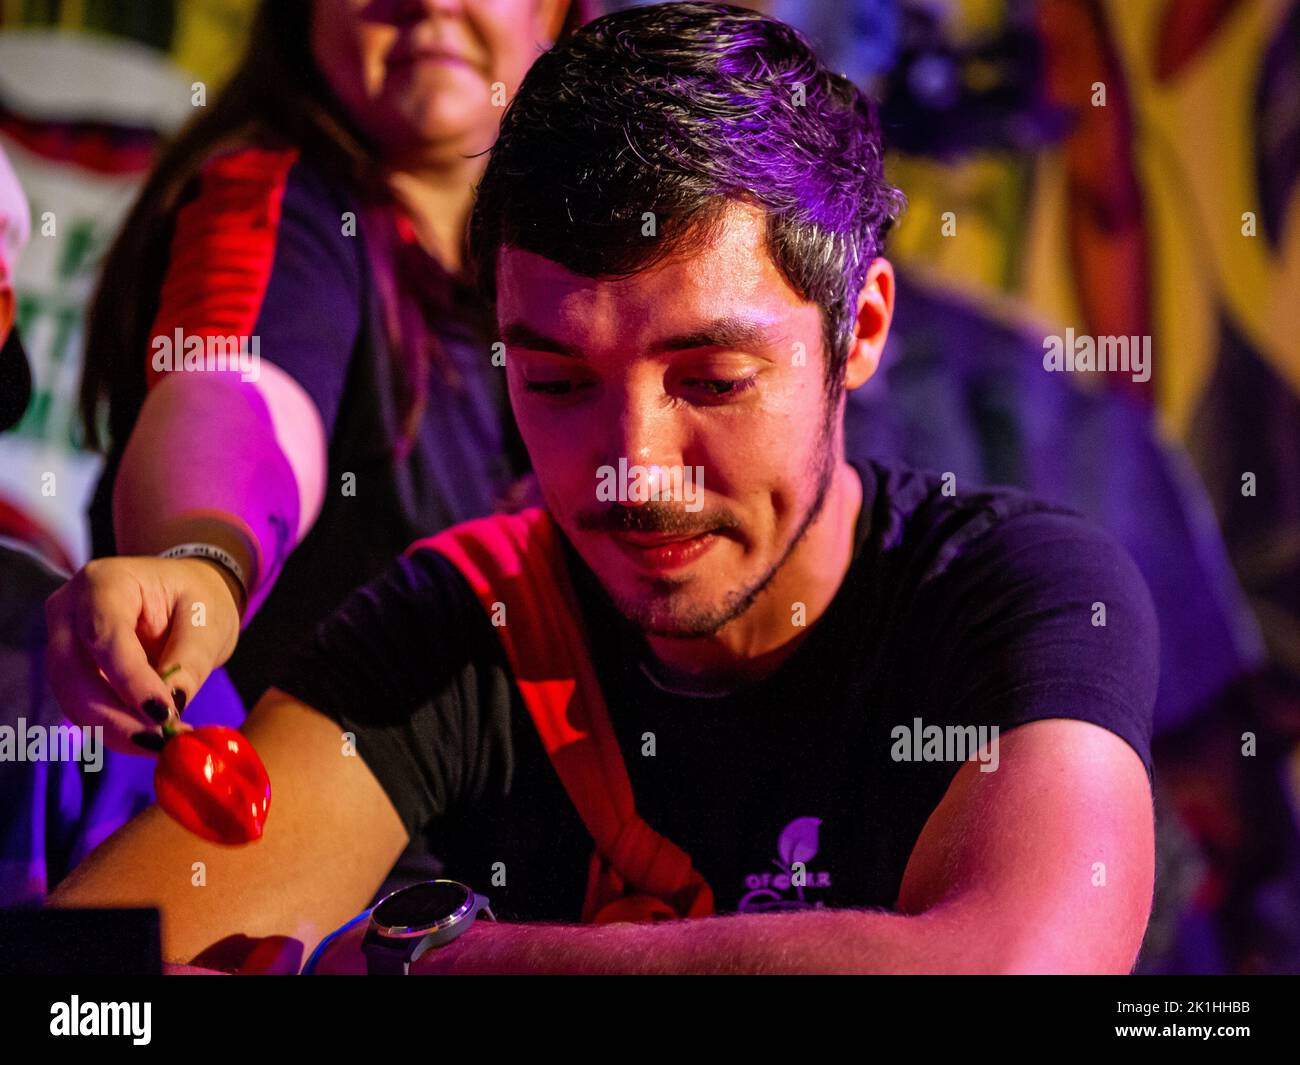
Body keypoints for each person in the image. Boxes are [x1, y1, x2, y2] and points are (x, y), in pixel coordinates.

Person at [48, 3, 1157, 975]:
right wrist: (202, 557)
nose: (631, 461)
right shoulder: (468, 615)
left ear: (858, 330)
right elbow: (78, 980)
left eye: (711, 379)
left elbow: (1016, 964)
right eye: (557, 380)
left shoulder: (1021, 591)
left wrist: (430, 958)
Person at [48, 0, 574, 755]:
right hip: (278, 839)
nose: (427, 3)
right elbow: (240, 394)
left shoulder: (581, 253)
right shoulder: (280, 200)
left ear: (550, 8)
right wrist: (203, 563)